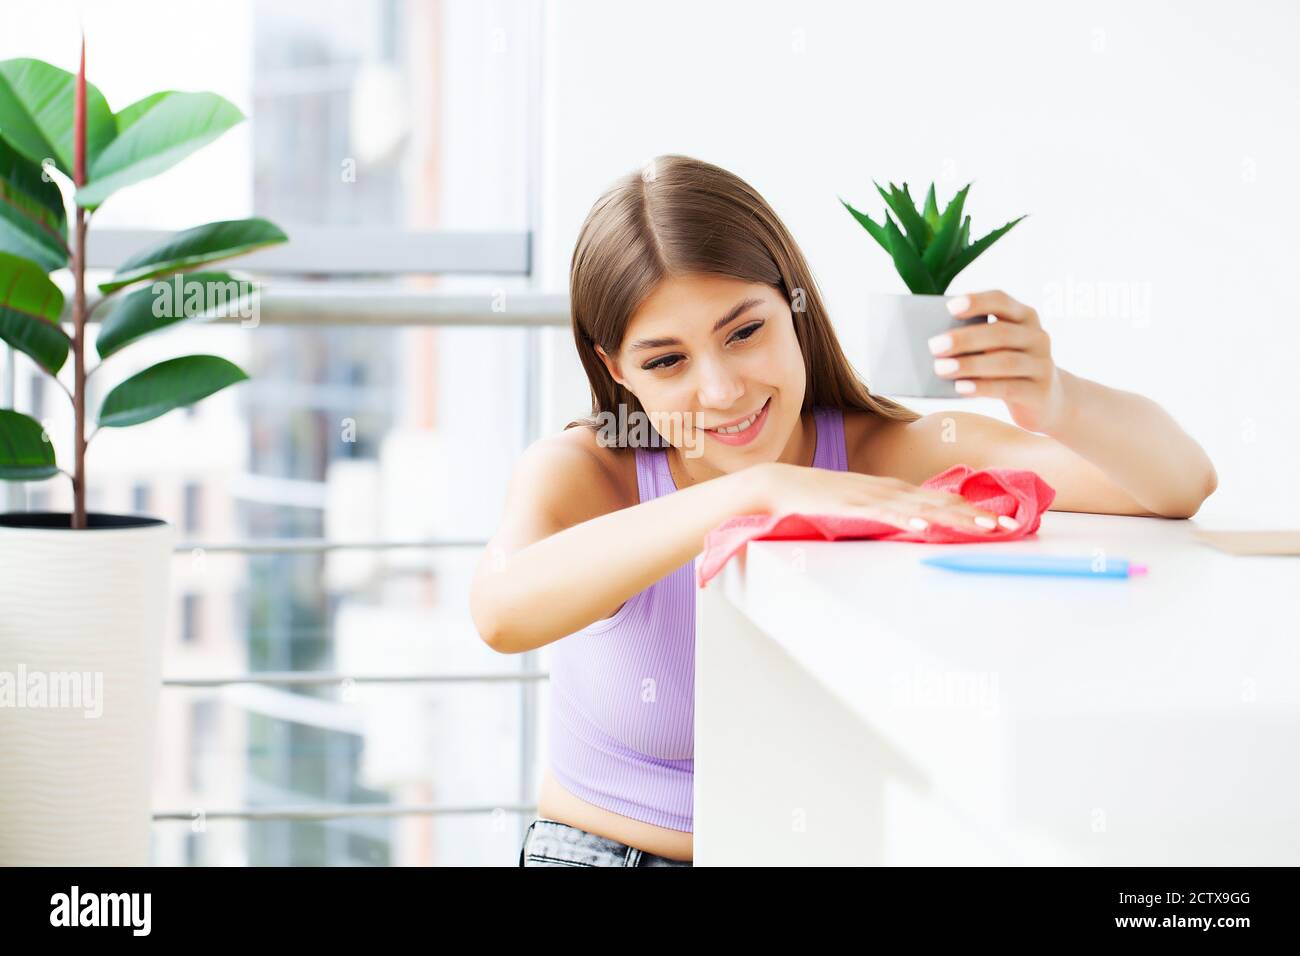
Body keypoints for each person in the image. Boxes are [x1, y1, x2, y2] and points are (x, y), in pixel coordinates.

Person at [470, 154, 1218, 867]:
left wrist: (1060, 400)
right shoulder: (587, 472)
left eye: (745, 331)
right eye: (667, 361)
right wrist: (749, 491)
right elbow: (502, 613)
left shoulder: (881, 452)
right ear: (615, 370)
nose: (723, 390)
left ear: (794, 306)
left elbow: (1175, 487)